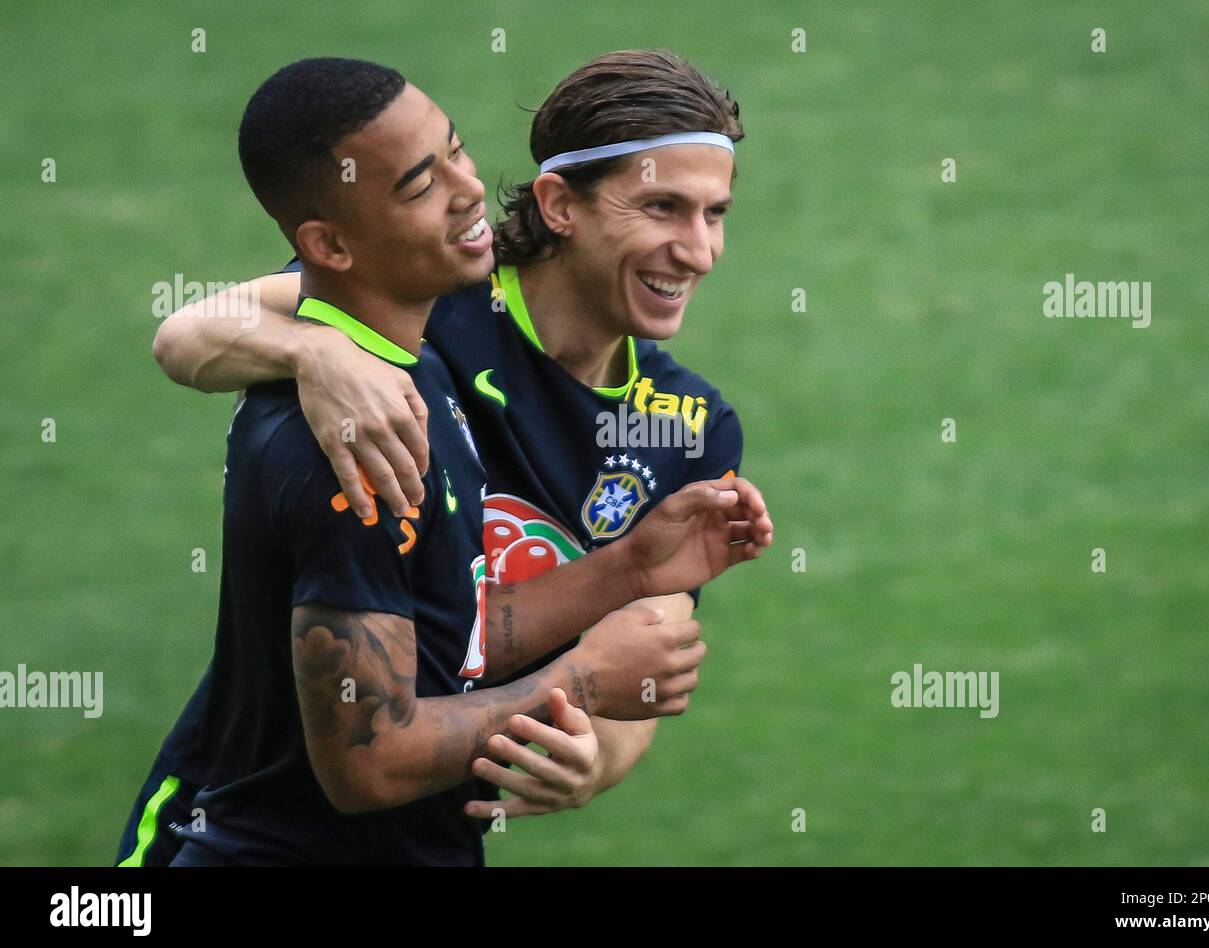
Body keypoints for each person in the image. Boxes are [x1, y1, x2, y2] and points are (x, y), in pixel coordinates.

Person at [132, 57, 769, 866]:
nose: (700, 251)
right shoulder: (425, 292)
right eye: (661, 208)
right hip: (252, 819)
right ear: (559, 204)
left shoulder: (687, 426)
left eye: (716, 213)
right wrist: (315, 354)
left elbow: (646, 650)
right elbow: (182, 335)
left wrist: (593, 758)